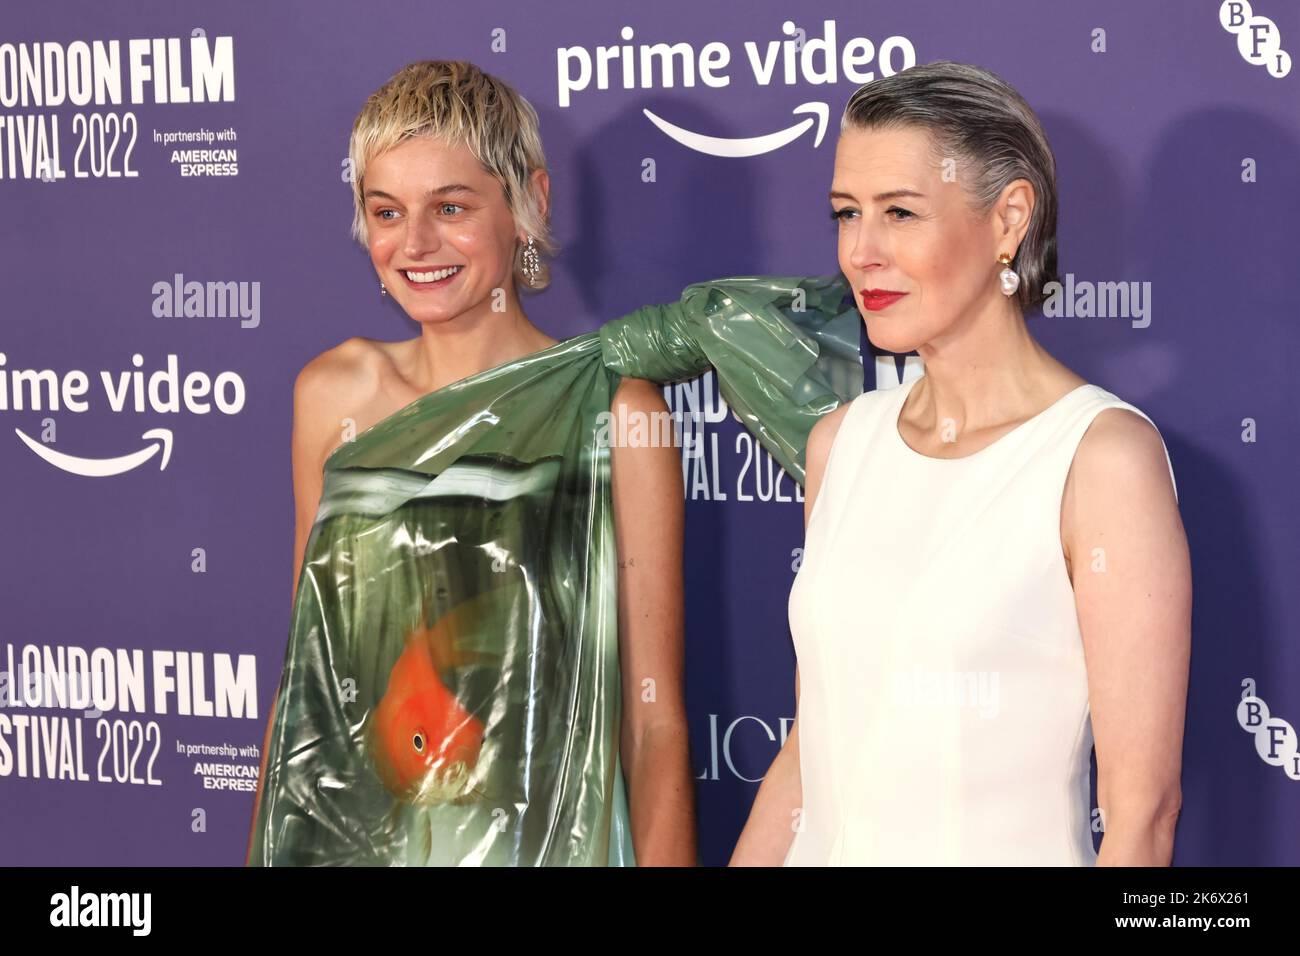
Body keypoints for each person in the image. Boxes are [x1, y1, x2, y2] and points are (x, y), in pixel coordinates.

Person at [731, 61, 1192, 866]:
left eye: (900, 213)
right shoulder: (841, 443)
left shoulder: (1100, 459)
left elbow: (1141, 819)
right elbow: (812, 752)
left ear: (1010, 217)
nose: (862, 252)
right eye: (847, 214)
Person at [245, 60, 705, 865]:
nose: (414, 244)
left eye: (450, 207)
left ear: (528, 203)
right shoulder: (332, 394)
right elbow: (306, 691)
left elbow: (653, 715)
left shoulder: (616, 409)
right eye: (387, 211)